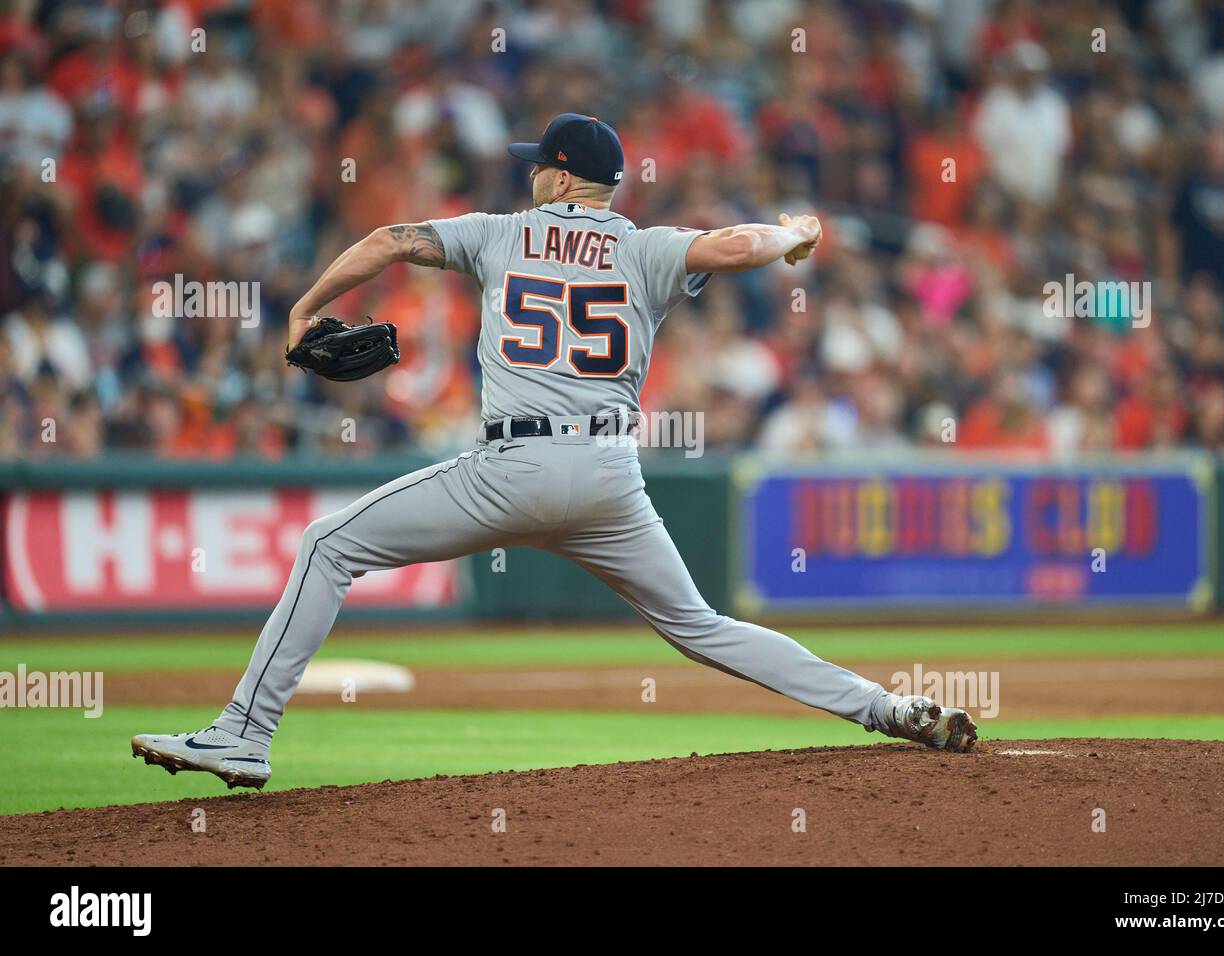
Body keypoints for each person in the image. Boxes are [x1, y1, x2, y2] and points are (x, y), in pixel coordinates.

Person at [131, 114, 976, 790]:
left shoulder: (499, 234)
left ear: (564, 177)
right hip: (609, 480)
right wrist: (791, 233)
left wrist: (305, 307)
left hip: (511, 471)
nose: (532, 172)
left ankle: (244, 734)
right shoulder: (643, 247)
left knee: (328, 545)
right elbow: (732, 245)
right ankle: (884, 706)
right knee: (700, 627)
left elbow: (390, 238)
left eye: (541, 164)